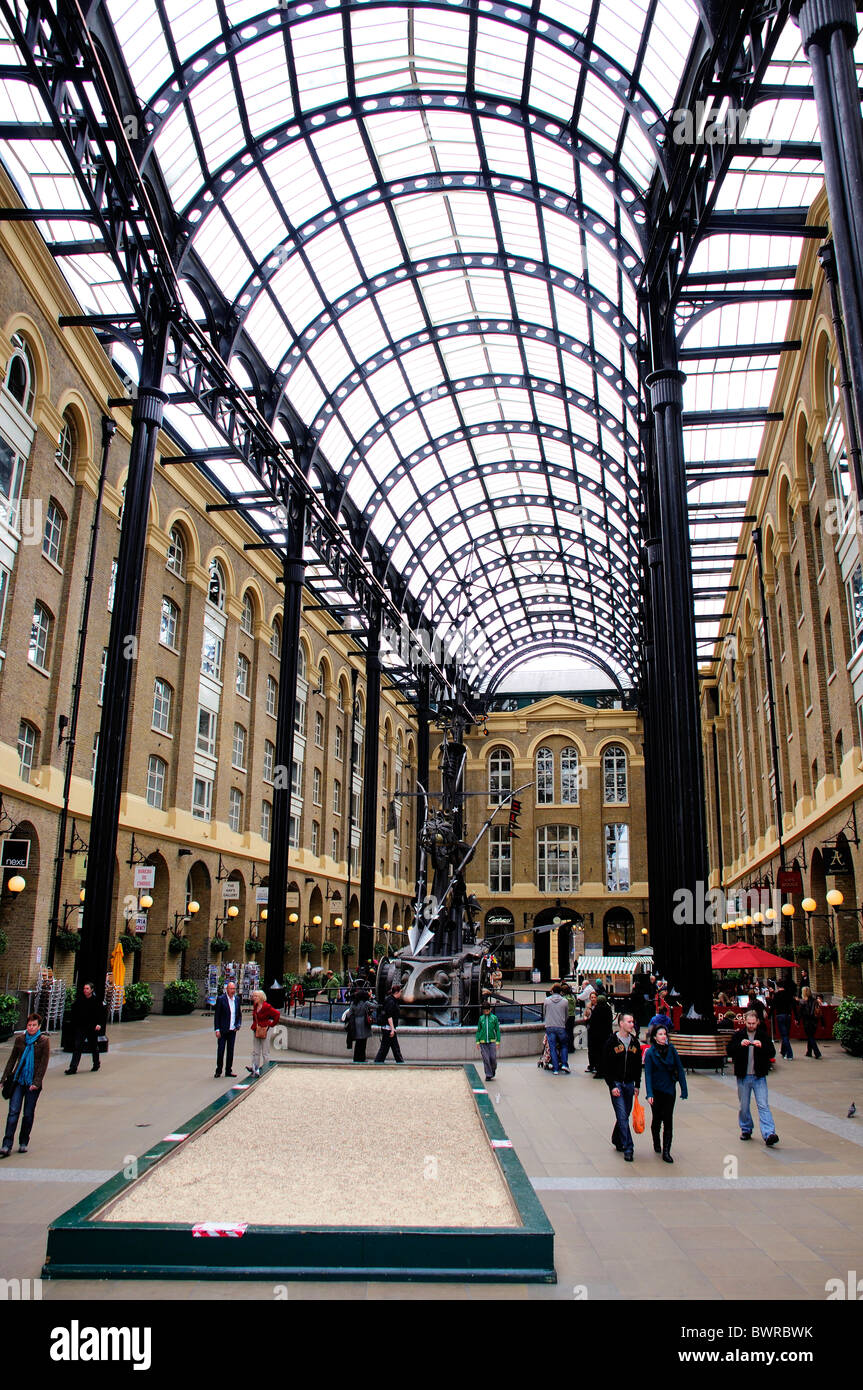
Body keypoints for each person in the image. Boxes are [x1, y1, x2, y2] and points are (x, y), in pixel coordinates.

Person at [727, 1008, 779, 1146]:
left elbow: (772, 1052)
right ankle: (746, 1128)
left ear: (757, 1022)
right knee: (744, 1105)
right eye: (748, 1023)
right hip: (743, 1076)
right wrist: (740, 1045)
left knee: (763, 1105)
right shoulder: (739, 1035)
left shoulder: (762, 1035)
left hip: (759, 1076)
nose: (751, 1026)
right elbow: (729, 1050)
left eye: (753, 1023)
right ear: (745, 1022)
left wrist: (761, 1046)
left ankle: (769, 1133)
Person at [1, 1013, 50, 1156]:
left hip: (32, 1083)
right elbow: (12, 1060)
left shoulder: (43, 1041)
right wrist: (4, 1078)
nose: (31, 1028)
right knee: (13, 1112)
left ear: (39, 1026)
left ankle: (23, 1141)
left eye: (34, 1025)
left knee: (28, 1114)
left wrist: (36, 1082)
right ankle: (6, 1144)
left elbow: (43, 1064)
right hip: (19, 1080)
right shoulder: (20, 1040)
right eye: (29, 1025)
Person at [600, 1012, 642, 1161]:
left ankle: (616, 1138)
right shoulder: (611, 1042)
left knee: (625, 1115)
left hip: (629, 1084)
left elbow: (638, 1066)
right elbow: (605, 1066)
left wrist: (637, 1084)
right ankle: (628, 1147)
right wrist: (612, 1085)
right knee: (622, 1115)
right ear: (621, 1023)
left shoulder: (635, 1043)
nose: (632, 1024)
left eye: (633, 1021)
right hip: (616, 1083)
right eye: (629, 1021)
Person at [643, 1023, 688, 1163]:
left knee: (668, 1119)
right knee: (657, 1118)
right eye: (660, 1034)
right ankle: (656, 1140)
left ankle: (666, 1151)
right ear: (655, 1037)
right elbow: (648, 1074)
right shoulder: (650, 1053)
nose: (663, 1037)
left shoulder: (672, 1050)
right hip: (656, 1091)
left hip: (669, 1090)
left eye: (664, 1034)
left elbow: (680, 1069)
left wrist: (684, 1088)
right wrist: (649, 1093)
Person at [65, 981, 104, 1074]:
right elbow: (75, 1012)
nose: (85, 990)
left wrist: (99, 1024)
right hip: (81, 1026)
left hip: (92, 1027)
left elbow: (101, 1013)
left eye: (87, 988)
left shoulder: (97, 1001)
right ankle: (73, 1067)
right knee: (78, 1046)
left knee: (93, 1046)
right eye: (84, 988)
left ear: (92, 990)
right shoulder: (80, 1000)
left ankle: (96, 1063)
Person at [247, 989, 281, 1077]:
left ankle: (266, 1069)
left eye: (256, 996)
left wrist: (272, 1024)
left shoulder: (267, 1006)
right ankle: (255, 1069)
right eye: (253, 996)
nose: (254, 998)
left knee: (265, 1051)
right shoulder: (255, 1005)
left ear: (261, 997)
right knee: (256, 1051)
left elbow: (277, 1014)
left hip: (265, 1029)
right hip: (256, 1029)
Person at [213, 979, 242, 1078]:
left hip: (232, 1030)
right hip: (222, 1029)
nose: (233, 990)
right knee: (221, 1051)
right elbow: (217, 1015)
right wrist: (217, 1029)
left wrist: (238, 1025)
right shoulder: (221, 999)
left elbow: (239, 1014)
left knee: (230, 1051)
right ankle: (218, 1070)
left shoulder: (237, 999)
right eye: (231, 988)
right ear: (227, 989)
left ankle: (228, 1070)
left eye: (234, 988)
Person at [542, 984, 569, 1075]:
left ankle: (555, 1068)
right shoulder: (565, 1001)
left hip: (550, 1026)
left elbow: (544, 1012)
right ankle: (564, 1064)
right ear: (561, 991)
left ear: (552, 991)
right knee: (564, 1045)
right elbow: (567, 1015)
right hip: (561, 1026)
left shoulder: (547, 1000)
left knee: (552, 1047)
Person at [585, 988, 613, 1075]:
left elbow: (592, 1022)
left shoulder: (597, 1010)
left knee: (597, 1052)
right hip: (606, 1034)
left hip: (596, 1035)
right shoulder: (608, 1009)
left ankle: (598, 1068)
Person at [374, 984, 404, 1063]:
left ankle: (379, 1062)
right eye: (400, 992)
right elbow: (389, 1016)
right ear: (397, 992)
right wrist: (392, 1029)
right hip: (388, 1028)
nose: (401, 993)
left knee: (388, 1048)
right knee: (389, 1048)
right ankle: (399, 1062)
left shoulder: (390, 1000)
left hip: (388, 1028)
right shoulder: (391, 1001)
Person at [771, 975, 797, 1060]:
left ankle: (790, 1054)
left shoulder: (777, 995)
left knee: (784, 1035)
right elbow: (794, 1006)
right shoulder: (789, 994)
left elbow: (773, 1006)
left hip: (780, 1015)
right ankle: (783, 1051)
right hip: (788, 1015)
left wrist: (769, 1014)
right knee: (786, 1034)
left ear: (777, 986)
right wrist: (796, 1017)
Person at [345, 987, 373, 1062]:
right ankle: (362, 1058)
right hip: (364, 1023)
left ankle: (356, 1058)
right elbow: (376, 1005)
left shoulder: (353, 1003)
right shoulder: (366, 1003)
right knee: (363, 1043)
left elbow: (349, 1014)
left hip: (356, 1024)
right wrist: (371, 997)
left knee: (358, 1043)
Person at [475, 1002, 501, 1081]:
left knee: (492, 1058)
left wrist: (498, 1041)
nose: (485, 1012)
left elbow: (497, 1030)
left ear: (490, 1010)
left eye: (487, 1010)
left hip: (492, 1041)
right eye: (484, 1011)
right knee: (486, 1059)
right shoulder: (481, 1018)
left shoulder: (494, 1018)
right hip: (483, 1042)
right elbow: (479, 1030)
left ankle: (493, 1070)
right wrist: (477, 1041)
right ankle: (488, 1074)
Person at [798, 986, 822, 1058]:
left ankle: (817, 1052)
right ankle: (809, 1052)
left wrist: (798, 1020)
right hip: (814, 1021)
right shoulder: (815, 1001)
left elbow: (801, 1013)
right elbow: (819, 1011)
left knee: (810, 1037)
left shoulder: (802, 1002)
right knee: (810, 1036)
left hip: (807, 1021)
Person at [563, 984, 577, 1056]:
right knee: (570, 1032)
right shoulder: (573, 997)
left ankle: (567, 1047)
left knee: (566, 1032)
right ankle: (571, 1046)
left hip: (567, 1016)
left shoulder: (564, 999)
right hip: (572, 1015)